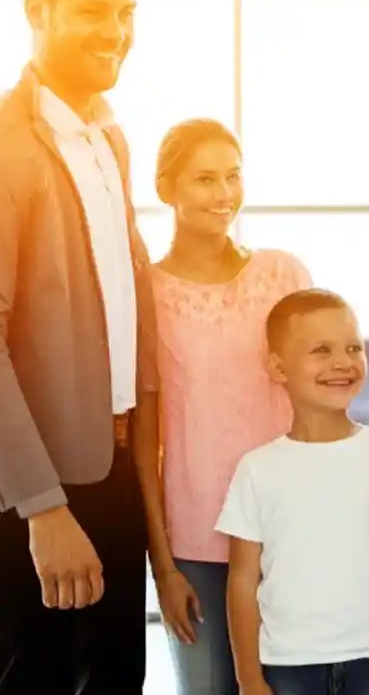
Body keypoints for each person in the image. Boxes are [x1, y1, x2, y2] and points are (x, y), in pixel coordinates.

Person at [0, 0, 156, 691]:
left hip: (111, 465)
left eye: (126, 15)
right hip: (31, 484)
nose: (116, 32)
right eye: (93, 12)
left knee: (116, 679)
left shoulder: (107, 140)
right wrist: (43, 506)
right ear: (37, 11)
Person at [133, 118, 312, 695]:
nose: (223, 194)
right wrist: (163, 568)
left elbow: (321, 401)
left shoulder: (283, 274)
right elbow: (145, 437)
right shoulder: (147, 294)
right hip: (196, 539)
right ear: (168, 189)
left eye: (233, 176)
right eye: (204, 179)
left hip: (290, 529)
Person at [216, 288, 369, 695]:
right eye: (321, 350)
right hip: (287, 667)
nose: (343, 362)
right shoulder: (256, 470)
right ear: (278, 367)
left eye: (353, 347)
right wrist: (248, 677)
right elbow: (242, 580)